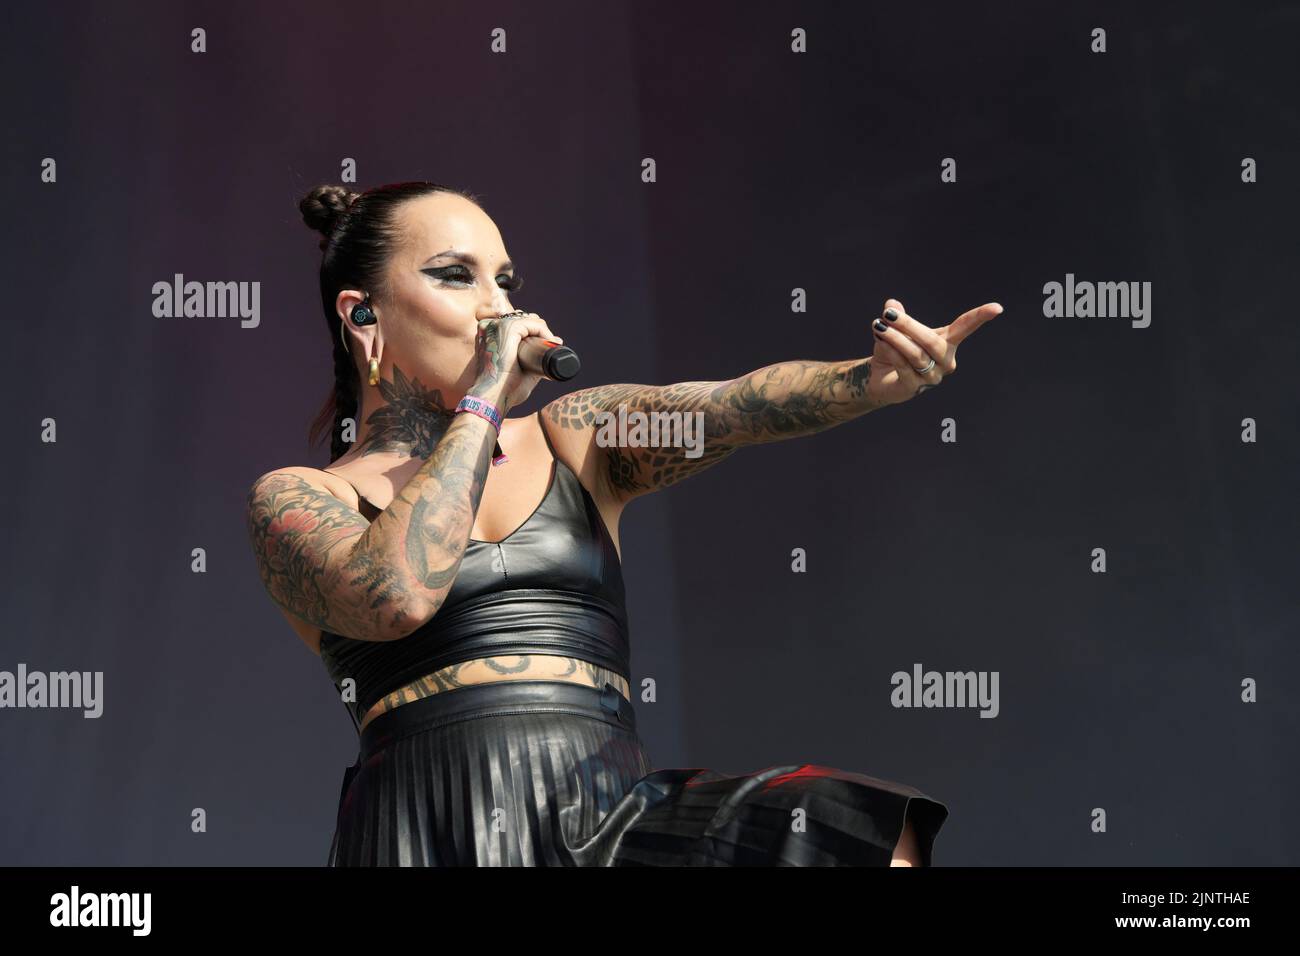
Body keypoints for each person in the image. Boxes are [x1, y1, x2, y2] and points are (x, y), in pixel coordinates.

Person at [245, 180, 1001, 866]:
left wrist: (865, 383)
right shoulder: (298, 499)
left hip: (602, 821)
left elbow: (731, 407)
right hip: (424, 829)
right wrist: (483, 401)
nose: (496, 306)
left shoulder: (572, 435)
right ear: (362, 314)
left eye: (505, 281)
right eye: (456, 275)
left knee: (852, 834)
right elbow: (398, 592)